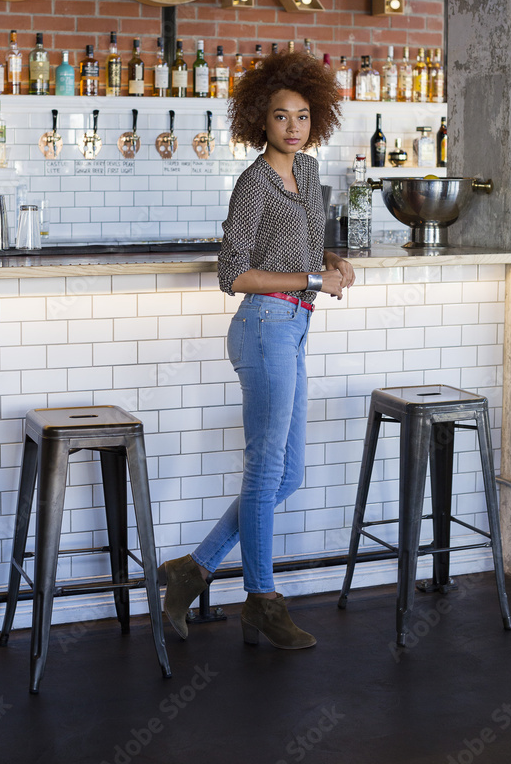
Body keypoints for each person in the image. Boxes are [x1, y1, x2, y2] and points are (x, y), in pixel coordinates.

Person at [159, 49, 355, 650]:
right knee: (267, 469)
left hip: (294, 327)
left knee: (288, 473)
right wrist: (313, 281)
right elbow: (234, 272)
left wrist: (324, 259)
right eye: (280, 116)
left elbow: (295, 243)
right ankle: (263, 601)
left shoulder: (311, 174)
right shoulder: (253, 183)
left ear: (314, 119)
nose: (292, 126)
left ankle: (192, 569)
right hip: (264, 326)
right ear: (259, 121)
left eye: (301, 116)